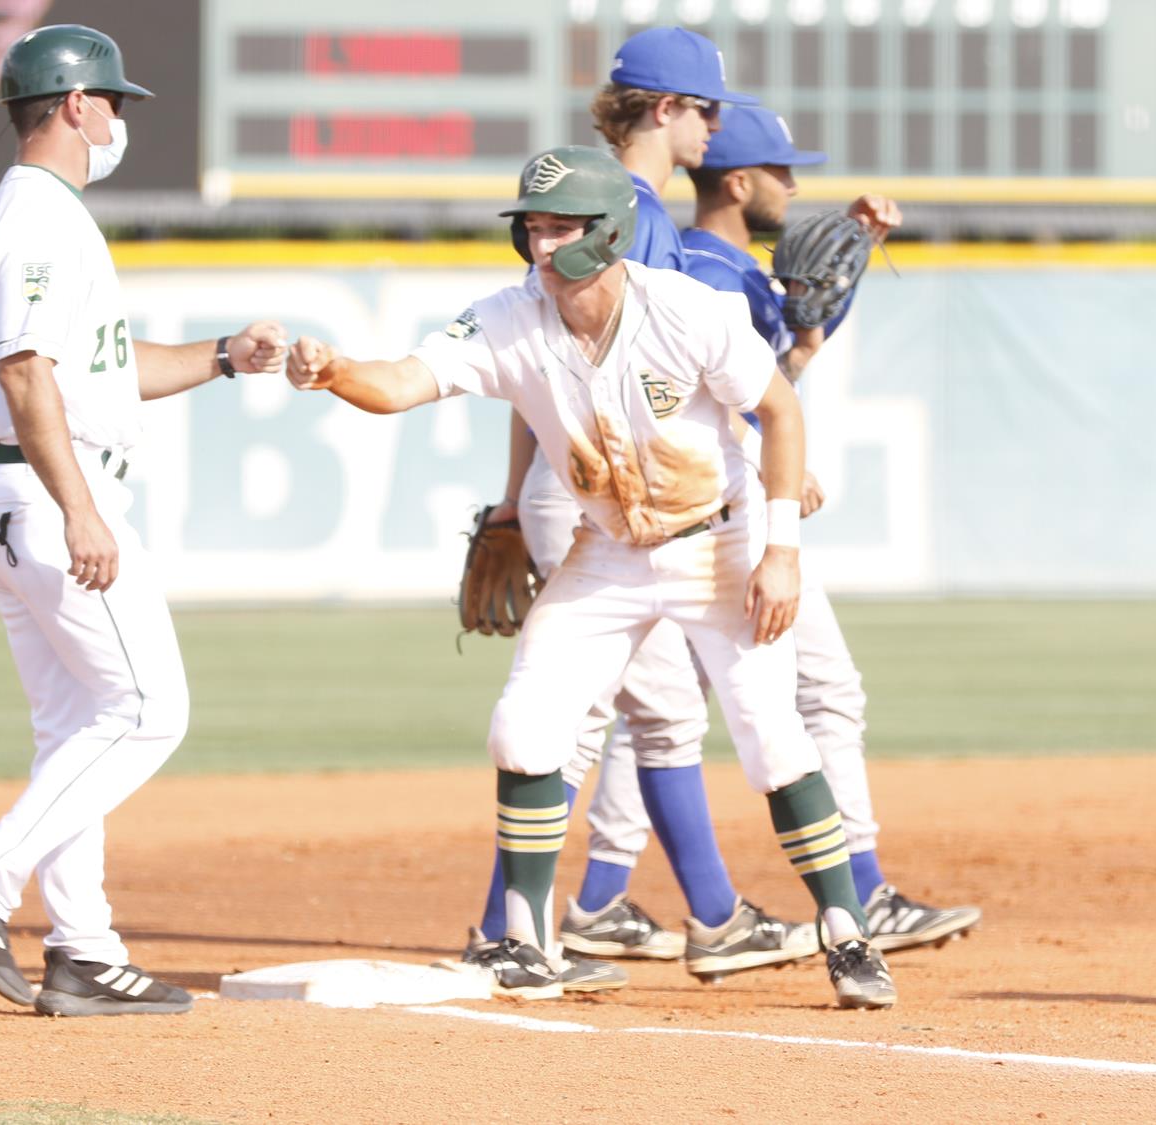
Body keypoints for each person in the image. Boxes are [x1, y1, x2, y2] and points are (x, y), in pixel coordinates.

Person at [288, 144, 897, 1009]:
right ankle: (525, 940)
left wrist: (782, 550)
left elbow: (777, 408)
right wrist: (336, 372)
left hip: (718, 541)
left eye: (561, 227)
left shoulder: (685, 309)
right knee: (525, 726)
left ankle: (847, 935)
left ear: (609, 232)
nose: (542, 245)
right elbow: (400, 382)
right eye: (532, 227)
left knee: (771, 737)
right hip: (606, 551)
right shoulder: (508, 318)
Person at [0, 23, 288, 1018]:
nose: (119, 120)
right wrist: (81, 509)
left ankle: (82, 948)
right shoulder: (38, 215)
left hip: (13, 493)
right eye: (113, 102)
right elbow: (26, 373)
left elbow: (97, 374)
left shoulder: (42, 214)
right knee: (150, 711)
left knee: (76, 727)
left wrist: (220, 356)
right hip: (44, 493)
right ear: (76, 105)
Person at [468, 27, 819, 987]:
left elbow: (547, 377)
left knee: (602, 717)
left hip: (587, 478)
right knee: (631, 717)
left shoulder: (624, 203)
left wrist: (511, 503)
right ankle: (544, 923)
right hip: (614, 493)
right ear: (665, 110)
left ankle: (553, 917)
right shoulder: (622, 211)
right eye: (705, 108)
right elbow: (594, 379)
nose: (715, 125)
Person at [587, 102, 981, 952]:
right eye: (784, 173)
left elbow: (784, 364)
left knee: (662, 709)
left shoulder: (736, 272)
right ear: (738, 180)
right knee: (801, 692)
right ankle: (861, 889)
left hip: (718, 510)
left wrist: (845, 263)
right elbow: (685, 393)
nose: (797, 186)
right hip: (720, 517)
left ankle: (599, 893)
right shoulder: (707, 273)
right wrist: (766, 465)